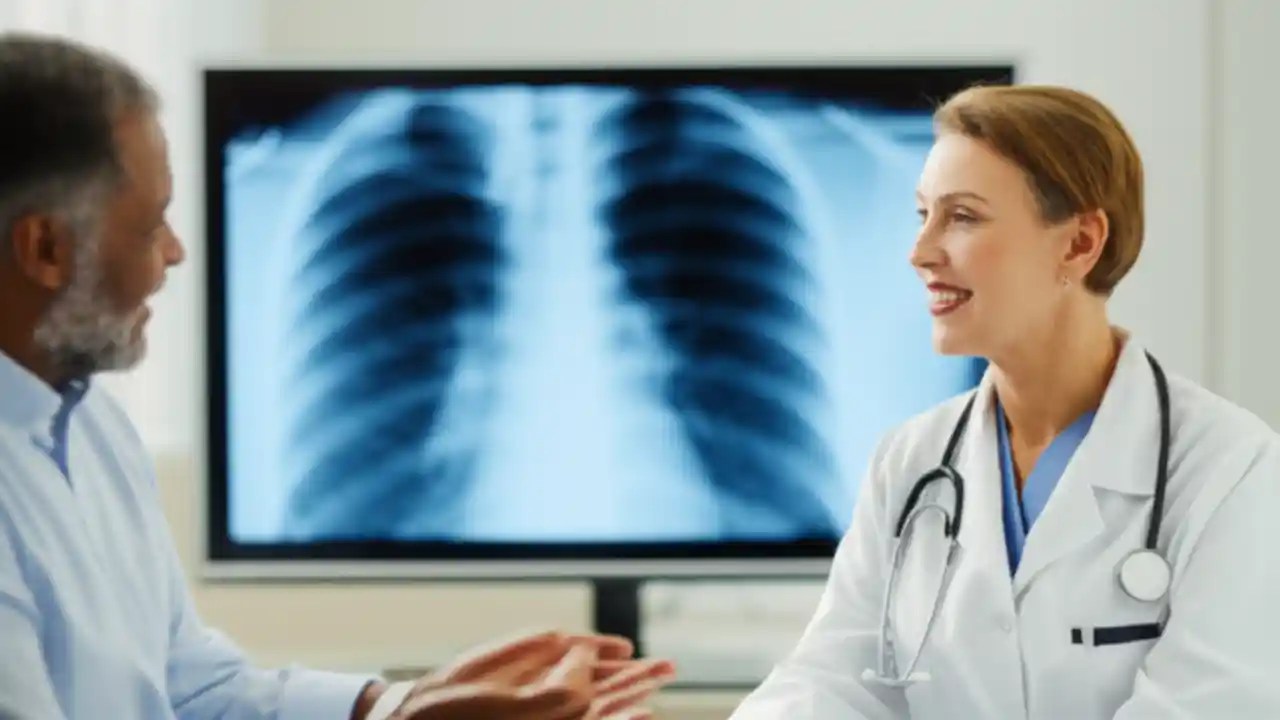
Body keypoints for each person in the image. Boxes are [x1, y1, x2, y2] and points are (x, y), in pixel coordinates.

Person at [0, 32, 674, 720]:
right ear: (46, 248)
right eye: (149, 228)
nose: (175, 255)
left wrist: (400, 706)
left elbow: (191, 687)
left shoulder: (90, 426)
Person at [730, 84, 1280, 719]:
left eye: (962, 216)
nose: (920, 252)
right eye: (922, 214)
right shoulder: (912, 459)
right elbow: (834, 678)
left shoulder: (1229, 469)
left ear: (1078, 244)